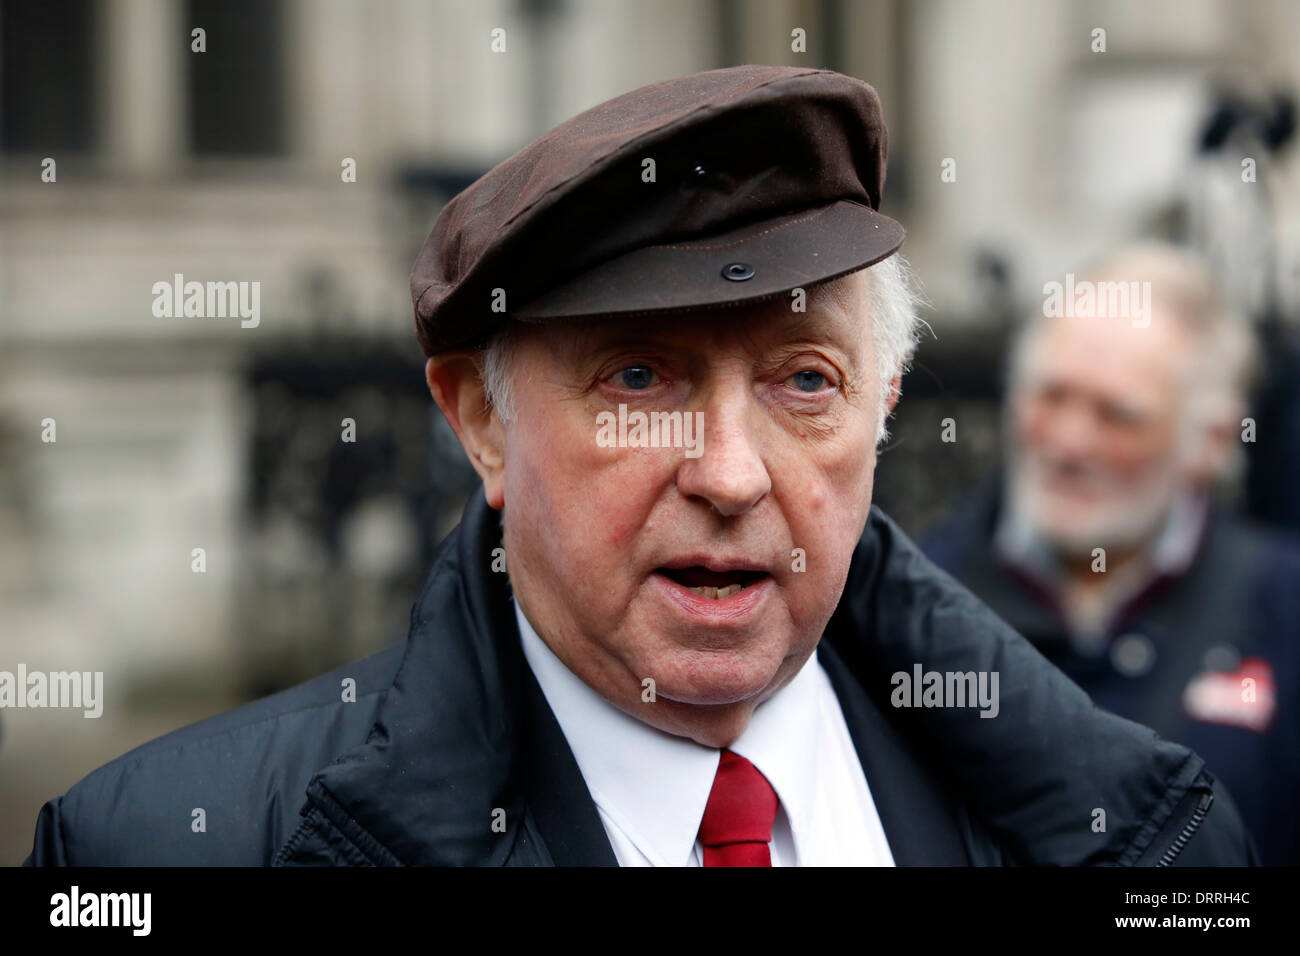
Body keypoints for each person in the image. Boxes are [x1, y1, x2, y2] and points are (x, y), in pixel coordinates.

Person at [25, 67, 1255, 866]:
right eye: (638, 380)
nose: (729, 472)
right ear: (480, 423)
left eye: (804, 381)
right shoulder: (160, 847)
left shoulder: (1153, 839)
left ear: (882, 407)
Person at [923, 241, 1298, 864]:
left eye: (1117, 415)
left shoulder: (1283, 610)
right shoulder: (918, 601)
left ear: (1208, 440)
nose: (1070, 441)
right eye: (1051, 396)